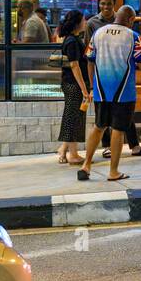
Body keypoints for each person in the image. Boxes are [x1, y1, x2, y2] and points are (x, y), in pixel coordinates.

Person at [79, 5, 141, 182]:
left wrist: (93, 85)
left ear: (117, 16)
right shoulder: (134, 37)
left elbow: (89, 60)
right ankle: (113, 171)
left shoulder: (98, 33)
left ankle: (86, 165)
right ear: (131, 20)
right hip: (124, 92)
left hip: (102, 90)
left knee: (99, 126)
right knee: (118, 129)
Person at [55, 9, 90, 165]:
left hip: (73, 83)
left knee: (74, 116)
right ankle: (73, 154)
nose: (85, 22)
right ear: (77, 23)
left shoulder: (74, 39)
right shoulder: (72, 41)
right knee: (72, 117)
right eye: (83, 20)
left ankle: (63, 149)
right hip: (73, 84)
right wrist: (84, 89)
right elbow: (75, 66)